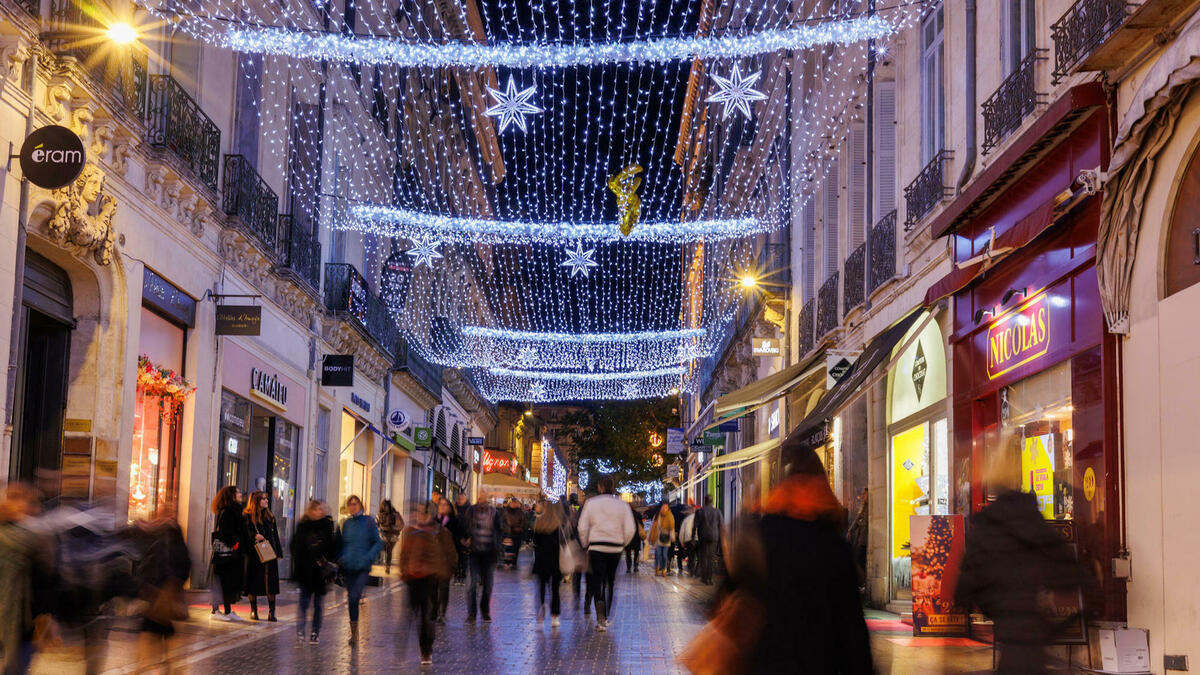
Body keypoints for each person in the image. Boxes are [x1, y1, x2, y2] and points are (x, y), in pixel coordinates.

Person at [711, 446, 873, 674]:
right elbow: (853, 633)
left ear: (783, 485)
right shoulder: (834, 548)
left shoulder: (760, 536)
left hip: (764, 663)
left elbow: (721, 601)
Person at [955, 445, 1086, 673]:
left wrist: (993, 605)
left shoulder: (986, 527)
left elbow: (965, 588)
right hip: (1033, 630)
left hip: (1008, 631)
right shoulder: (1032, 520)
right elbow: (1068, 569)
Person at [0, 484, 52, 673]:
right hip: (9, 616)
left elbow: (46, 581)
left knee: (16, 668)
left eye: (23, 499)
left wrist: (45, 620)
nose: (17, 504)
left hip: (23, 619)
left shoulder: (41, 538)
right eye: (12, 497)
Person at [399, 501, 457, 666]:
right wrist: (403, 571)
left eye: (423, 513)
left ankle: (426, 650)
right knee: (409, 614)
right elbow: (404, 553)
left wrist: (444, 573)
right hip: (412, 578)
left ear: (430, 514)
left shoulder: (440, 532)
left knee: (426, 616)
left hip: (430, 578)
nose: (420, 516)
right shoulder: (410, 531)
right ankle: (401, 651)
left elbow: (451, 555)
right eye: (418, 512)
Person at [577, 476, 635, 631]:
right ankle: (606, 614)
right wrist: (623, 543)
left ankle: (600, 617)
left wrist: (585, 544)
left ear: (600, 487)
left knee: (597, 581)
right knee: (610, 581)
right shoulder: (622, 505)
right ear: (613, 487)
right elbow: (630, 529)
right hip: (614, 548)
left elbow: (582, 527)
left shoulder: (591, 504)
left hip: (596, 547)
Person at [338, 494, 382, 645]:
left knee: (354, 597)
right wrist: (342, 557)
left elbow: (378, 543)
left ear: (361, 506)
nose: (352, 507)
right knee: (351, 601)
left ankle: (355, 634)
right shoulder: (347, 524)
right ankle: (354, 633)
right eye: (350, 504)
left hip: (362, 567)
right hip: (349, 566)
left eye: (355, 504)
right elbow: (343, 544)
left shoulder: (368, 522)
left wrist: (368, 558)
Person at [292, 500, 336, 645]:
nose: (319, 512)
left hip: (320, 573)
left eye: (321, 509)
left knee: (318, 605)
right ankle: (300, 632)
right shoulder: (303, 525)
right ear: (311, 510)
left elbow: (331, 549)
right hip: (305, 571)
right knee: (303, 603)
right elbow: (295, 547)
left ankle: (315, 632)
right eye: (316, 509)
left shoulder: (327, 526)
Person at [242, 490, 282, 622]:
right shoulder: (247, 516)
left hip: (269, 552)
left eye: (266, 499)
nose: (267, 501)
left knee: (270, 582)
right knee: (253, 581)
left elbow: (275, 535)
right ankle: (254, 610)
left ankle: (272, 612)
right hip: (253, 554)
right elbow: (244, 534)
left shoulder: (270, 516)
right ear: (256, 501)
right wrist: (254, 536)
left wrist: (279, 552)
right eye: (264, 499)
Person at [463, 496, 503, 623]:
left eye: (483, 495)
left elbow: (498, 530)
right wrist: (465, 538)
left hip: (489, 553)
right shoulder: (470, 511)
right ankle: (472, 613)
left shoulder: (494, 513)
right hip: (474, 553)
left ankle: (485, 610)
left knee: (488, 585)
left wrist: (498, 547)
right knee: (471, 585)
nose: (481, 498)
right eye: (479, 495)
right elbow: (464, 527)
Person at [210, 485, 247, 620]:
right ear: (231, 495)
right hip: (226, 555)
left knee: (228, 582)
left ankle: (227, 610)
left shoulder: (234, 510)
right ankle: (216, 611)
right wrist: (236, 545)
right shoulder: (228, 511)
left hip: (229, 555)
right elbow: (226, 532)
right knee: (223, 582)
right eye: (237, 492)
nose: (240, 493)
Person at [530, 499, 564, 626]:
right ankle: (555, 616)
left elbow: (535, 541)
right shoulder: (558, 524)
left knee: (541, 588)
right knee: (555, 589)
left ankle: (541, 608)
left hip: (541, 560)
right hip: (555, 560)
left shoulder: (539, 523)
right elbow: (562, 542)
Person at [433, 499, 458, 623]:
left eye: (445, 505)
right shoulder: (432, 521)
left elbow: (457, 541)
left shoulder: (454, 522)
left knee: (443, 587)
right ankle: (435, 610)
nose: (442, 507)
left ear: (449, 507)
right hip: (433, 559)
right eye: (440, 505)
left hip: (447, 560)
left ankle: (442, 613)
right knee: (433, 587)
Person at [692, 495, 724, 585]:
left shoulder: (700, 511)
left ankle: (705, 578)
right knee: (711, 557)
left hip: (703, 536)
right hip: (714, 537)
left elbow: (695, 525)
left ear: (704, 501)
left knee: (703, 557)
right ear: (712, 501)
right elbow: (722, 525)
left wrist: (692, 536)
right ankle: (709, 578)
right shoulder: (717, 512)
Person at [648, 503, 676, 576]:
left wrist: (673, 537)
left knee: (664, 555)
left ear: (668, 508)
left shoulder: (670, 516)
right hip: (658, 538)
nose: (664, 509)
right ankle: (657, 568)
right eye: (663, 507)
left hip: (666, 539)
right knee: (658, 555)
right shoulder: (657, 516)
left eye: (666, 507)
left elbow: (672, 528)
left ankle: (663, 569)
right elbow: (652, 526)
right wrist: (650, 536)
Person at [377, 499, 403, 575]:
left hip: (393, 535)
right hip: (383, 534)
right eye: (384, 506)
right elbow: (377, 524)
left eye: (387, 506)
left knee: (389, 550)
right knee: (386, 549)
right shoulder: (379, 515)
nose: (386, 508)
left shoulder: (395, 514)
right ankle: (385, 563)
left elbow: (401, 524)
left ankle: (387, 566)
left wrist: (395, 528)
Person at [451, 494, 471, 585]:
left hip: (466, 538)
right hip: (455, 537)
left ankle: (462, 576)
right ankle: (456, 576)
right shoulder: (453, 509)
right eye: (458, 498)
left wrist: (469, 538)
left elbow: (473, 525)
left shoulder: (470, 510)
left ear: (465, 500)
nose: (459, 500)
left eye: (461, 499)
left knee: (463, 558)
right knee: (455, 558)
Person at [502, 497, 526, 569]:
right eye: (513, 502)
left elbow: (524, 522)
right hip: (508, 533)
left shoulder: (520, 512)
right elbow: (503, 522)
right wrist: (508, 529)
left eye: (516, 503)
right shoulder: (505, 511)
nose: (514, 504)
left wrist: (520, 528)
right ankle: (507, 562)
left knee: (516, 548)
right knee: (508, 549)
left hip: (517, 533)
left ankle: (514, 563)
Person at [624, 504, 645, 574]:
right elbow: (641, 525)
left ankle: (628, 567)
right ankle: (636, 566)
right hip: (636, 536)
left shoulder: (625, 515)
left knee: (628, 552)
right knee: (636, 552)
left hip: (628, 536)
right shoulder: (637, 514)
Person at [679, 508, 697, 577]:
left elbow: (682, 532)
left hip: (689, 540)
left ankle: (691, 571)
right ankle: (697, 571)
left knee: (691, 556)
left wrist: (681, 541)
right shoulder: (700, 518)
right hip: (698, 539)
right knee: (697, 556)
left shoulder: (686, 520)